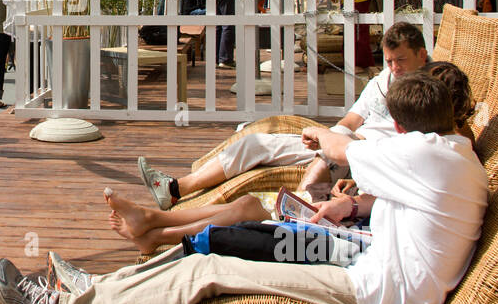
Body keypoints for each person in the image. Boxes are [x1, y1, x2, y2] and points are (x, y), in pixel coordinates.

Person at [0, 72, 489, 304]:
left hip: (377, 293)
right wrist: (354, 202)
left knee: (208, 270)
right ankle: (89, 289)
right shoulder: (455, 159)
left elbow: (338, 146)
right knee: (229, 241)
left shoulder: (425, 158)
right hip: (368, 259)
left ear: (403, 130)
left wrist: (323, 141)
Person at [110, 59, 479, 256]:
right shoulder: (443, 149)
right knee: (249, 202)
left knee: (247, 210)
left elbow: (348, 151)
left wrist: (346, 195)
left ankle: (158, 231)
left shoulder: (424, 150)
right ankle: (155, 223)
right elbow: (403, 193)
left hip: (350, 238)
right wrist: (353, 201)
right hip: (349, 211)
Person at [136, 22, 428, 209]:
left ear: (422, 55)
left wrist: (344, 142)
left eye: (401, 60)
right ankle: (175, 188)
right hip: (341, 142)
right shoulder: (381, 82)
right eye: (389, 60)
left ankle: (299, 207)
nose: (394, 67)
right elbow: (351, 119)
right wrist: (329, 136)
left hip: (367, 159)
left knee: (332, 147)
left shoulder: (430, 92)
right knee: (255, 144)